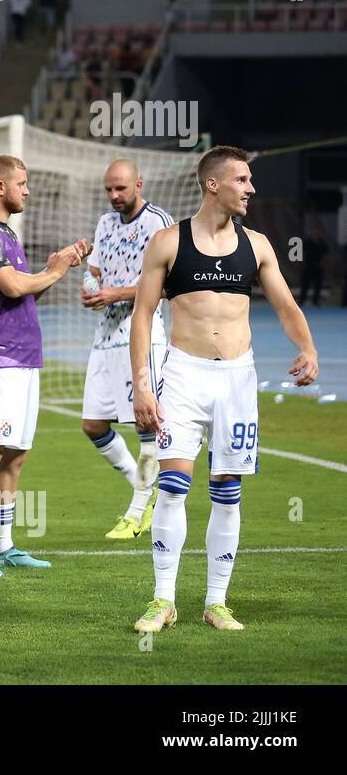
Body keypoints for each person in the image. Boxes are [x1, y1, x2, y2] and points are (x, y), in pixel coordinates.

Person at [132, 147, 319, 633]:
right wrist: (142, 386)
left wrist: (307, 348)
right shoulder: (168, 242)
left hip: (238, 379)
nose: (250, 188)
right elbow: (143, 314)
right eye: (242, 179)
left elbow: (286, 306)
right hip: (183, 376)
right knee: (173, 487)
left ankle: (216, 602)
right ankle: (163, 600)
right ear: (213, 184)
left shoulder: (256, 245)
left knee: (227, 492)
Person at [0, 154, 90, 576]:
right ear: (0, 187)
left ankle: (1, 546)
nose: (27, 191)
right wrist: (56, 271)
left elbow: (22, 293)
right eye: (22, 183)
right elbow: (12, 286)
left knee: (14, 455)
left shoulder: (5, 233)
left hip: (22, 355)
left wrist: (49, 270)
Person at [80, 160, 174, 539]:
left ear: (139, 184)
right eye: (109, 189)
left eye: (120, 188)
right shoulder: (105, 223)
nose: (114, 196)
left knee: (146, 424)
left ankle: (137, 513)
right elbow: (96, 272)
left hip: (143, 334)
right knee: (93, 424)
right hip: (105, 337)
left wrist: (115, 293)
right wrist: (90, 287)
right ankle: (145, 488)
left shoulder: (158, 223)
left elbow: (168, 285)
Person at [299, 226, 327, 305]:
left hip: (318, 268)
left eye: (318, 231)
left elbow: (326, 255)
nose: (316, 233)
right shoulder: (307, 242)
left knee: (318, 285)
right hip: (308, 266)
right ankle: (301, 301)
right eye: (315, 231)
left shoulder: (322, 243)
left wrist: (322, 263)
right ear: (312, 232)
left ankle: (315, 301)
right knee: (305, 285)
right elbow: (301, 252)